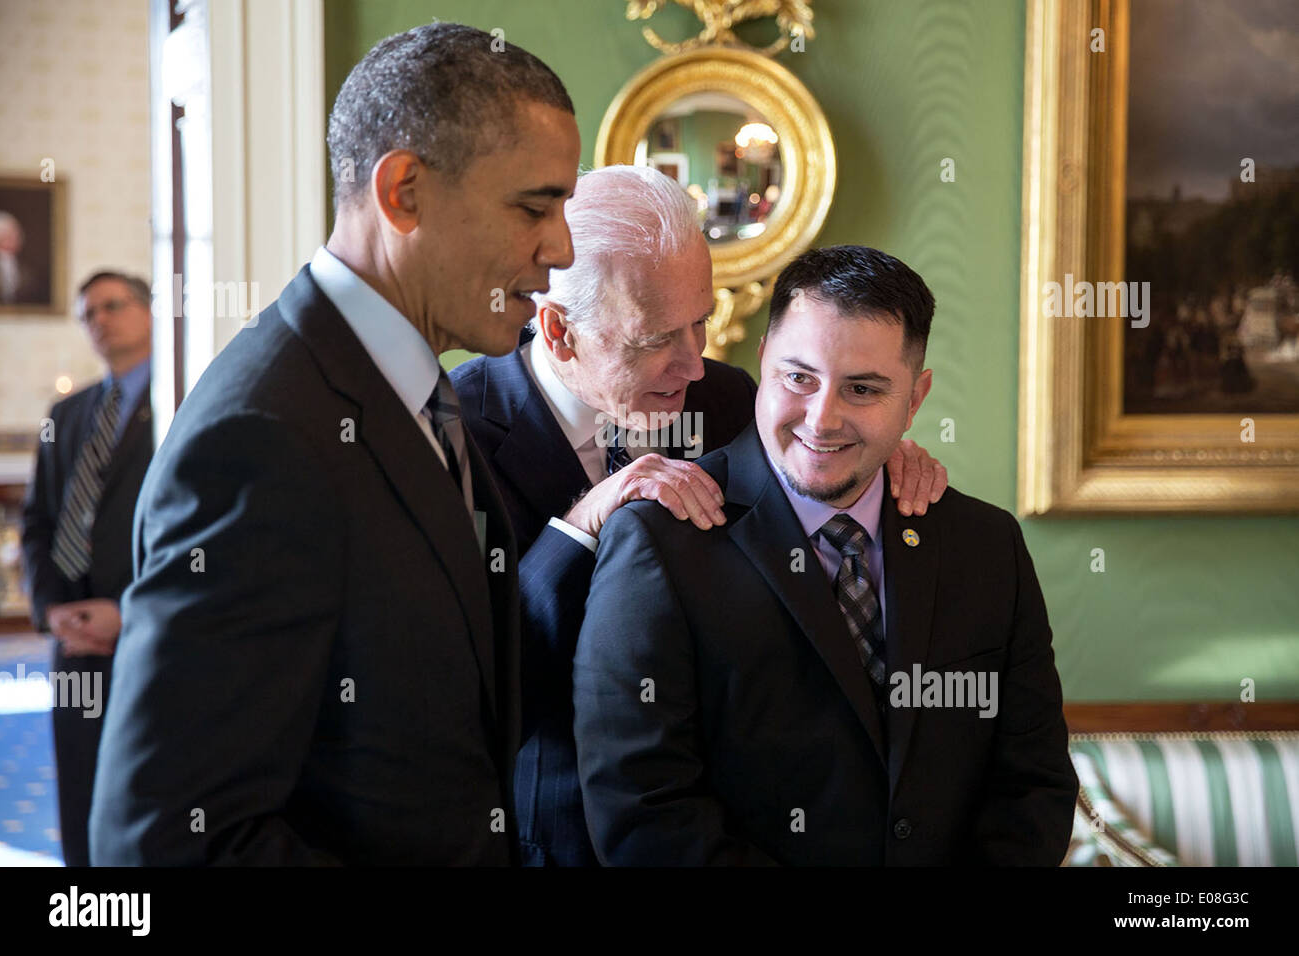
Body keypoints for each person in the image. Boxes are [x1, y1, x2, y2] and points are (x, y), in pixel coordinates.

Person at [89, 22, 579, 865]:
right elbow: (165, 838)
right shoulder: (262, 439)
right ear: (405, 192)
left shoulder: (418, 393)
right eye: (534, 207)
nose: (560, 249)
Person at [451, 169, 949, 865]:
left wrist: (877, 454)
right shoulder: (449, 435)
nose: (693, 363)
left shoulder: (725, 398)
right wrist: (583, 523)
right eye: (656, 337)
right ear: (560, 332)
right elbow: (469, 699)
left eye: (701, 321)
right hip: (553, 847)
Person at [573, 245, 1078, 865]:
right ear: (763, 361)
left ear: (914, 400)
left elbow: (1034, 784)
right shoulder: (660, 541)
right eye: (798, 377)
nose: (822, 417)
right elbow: (643, 808)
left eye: (863, 389)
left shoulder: (986, 545)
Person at [20, 270, 154, 866]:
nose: (99, 320)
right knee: (80, 790)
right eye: (87, 313)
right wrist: (52, 613)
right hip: (73, 642)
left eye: (112, 306)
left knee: (149, 796)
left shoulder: (185, 400)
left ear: (148, 312)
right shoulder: (68, 414)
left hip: (150, 636)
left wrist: (128, 613)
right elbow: (37, 524)